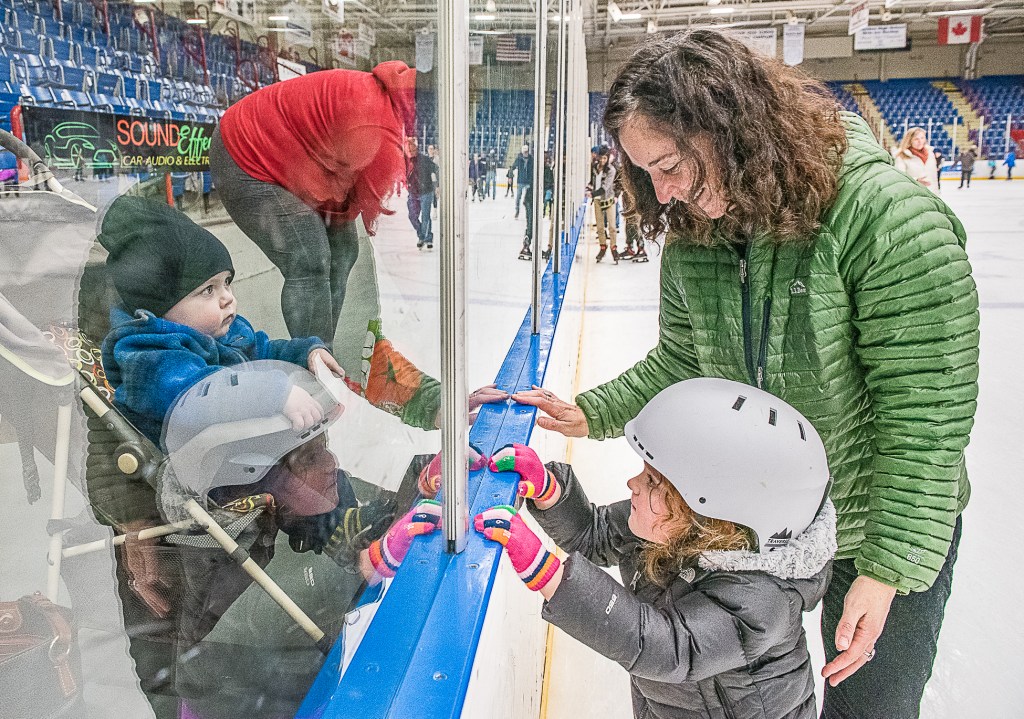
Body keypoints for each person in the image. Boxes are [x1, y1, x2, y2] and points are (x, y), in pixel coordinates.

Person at [513, 31, 978, 719]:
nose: (664, 194)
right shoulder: (700, 233)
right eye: (648, 174)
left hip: (885, 518)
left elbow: (926, 419)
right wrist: (592, 411)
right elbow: (681, 359)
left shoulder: (883, 218)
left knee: (869, 707)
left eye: (671, 165)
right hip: (761, 520)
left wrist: (886, 570)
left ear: (728, 126)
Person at [478, 378, 836, 718]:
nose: (631, 483)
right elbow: (596, 533)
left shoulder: (762, 599)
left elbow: (667, 648)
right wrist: (549, 491)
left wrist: (547, 572)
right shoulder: (671, 527)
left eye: (651, 481)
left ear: (711, 515)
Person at [209, 61, 416, 349]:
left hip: (290, 155)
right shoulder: (375, 122)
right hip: (246, 153)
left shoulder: (388, 105)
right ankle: (314, 362)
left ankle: (322, 353)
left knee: (344, 251)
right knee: (309, 259)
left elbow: (348, 193)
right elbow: (378, 212)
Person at [406, 137, 438, 250]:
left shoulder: (424, 160)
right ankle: (422, 234)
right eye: (409, 147)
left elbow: (435, 169)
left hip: (426, 192)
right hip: (413, 193)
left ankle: (427, 238)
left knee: (425, 217)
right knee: (412, 216)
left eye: (412, 147)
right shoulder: (406, 161)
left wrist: (437, 186)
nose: (411, 150)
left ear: (416, 147)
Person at [589, 146, 619, 262]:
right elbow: (592, 182)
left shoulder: (611, 170)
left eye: (605, 158)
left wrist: (592, 193)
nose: (602, 160)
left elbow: (606, 187)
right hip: (597, 201)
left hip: (608, 200)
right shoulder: (594, 168)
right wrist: (589, 188)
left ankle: (613, 247)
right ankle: (602, 247)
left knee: (612, 226)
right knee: (600, 227)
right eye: (601, 158)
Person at [893, 127, 938, 194]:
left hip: (931, 196)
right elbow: (899, 178)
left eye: (922, 138)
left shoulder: (930, 153)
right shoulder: (902, 156)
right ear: (909, 140)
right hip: (913, 196)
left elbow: (934, 178)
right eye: (916, 139)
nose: (920, 141)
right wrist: (916, 180)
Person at [513, 144, 532, 219]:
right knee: (518, 197)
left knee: (527, 199)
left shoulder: (531, 159)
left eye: (526, 152)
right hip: (520, 181)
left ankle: (528, 212)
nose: (525, 153)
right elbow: (513, 166)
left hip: (528, 182)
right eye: (524, 152)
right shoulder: (519, 159)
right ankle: (517, 211)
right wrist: (510, 175)